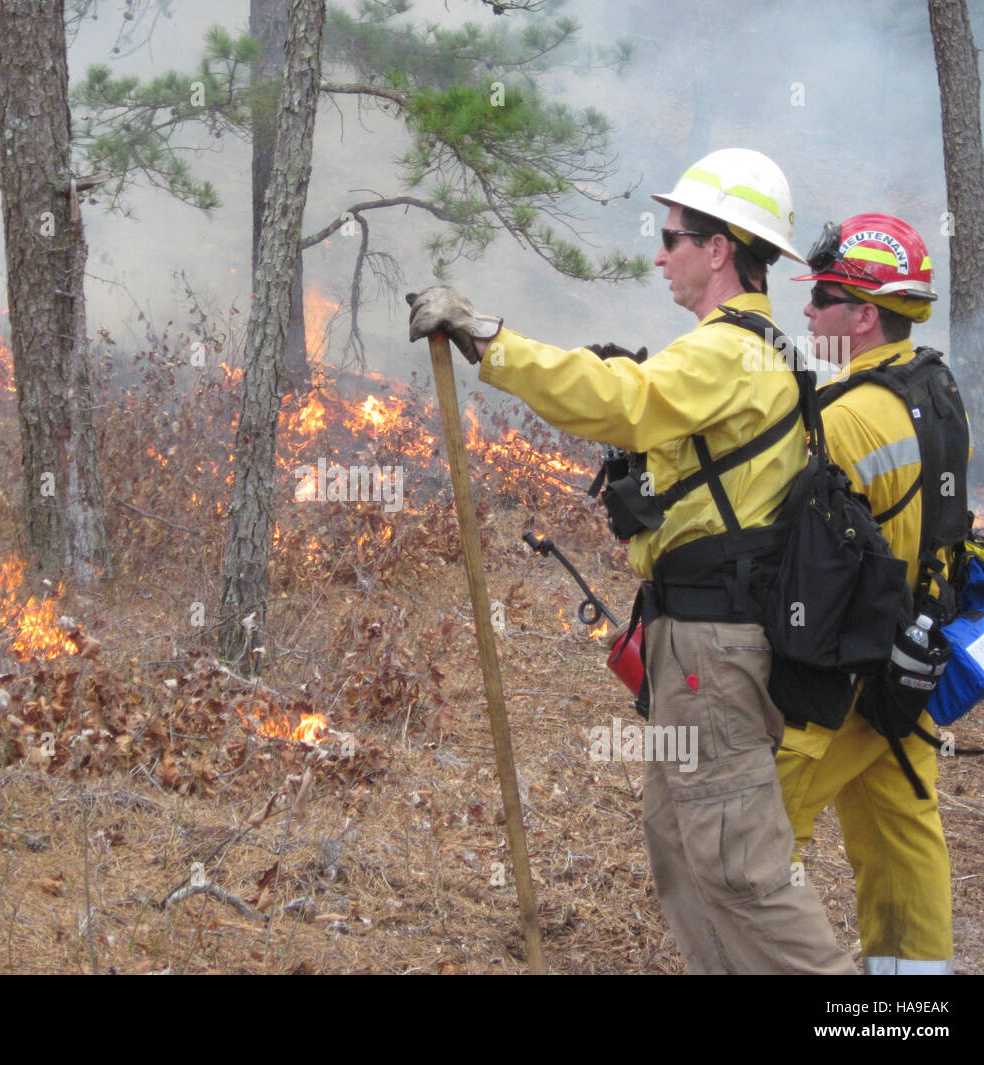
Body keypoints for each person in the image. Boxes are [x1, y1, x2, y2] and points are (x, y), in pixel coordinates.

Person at [408, 148, 855, 974]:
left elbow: (623, 400)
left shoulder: (729, 351)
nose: (659, 252)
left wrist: (490, 342)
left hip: (713, 652)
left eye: (672, 235)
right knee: (684, 850)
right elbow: (652, 406)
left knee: (740, 865)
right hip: (694, 642)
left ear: (719, 248)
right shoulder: (745, 351)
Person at [779, 214, 956, 974]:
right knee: (902, 829)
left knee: (757, 828)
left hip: (845, 675)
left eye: (823, 296)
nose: (808, 311)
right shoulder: (935, 387)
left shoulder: (845, 419)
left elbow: (789, 542)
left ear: (864, 314)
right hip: (912, 659)